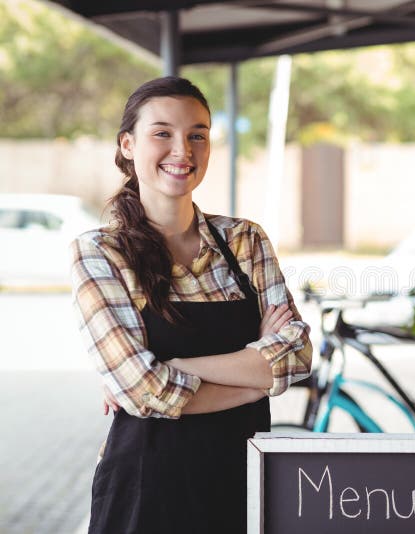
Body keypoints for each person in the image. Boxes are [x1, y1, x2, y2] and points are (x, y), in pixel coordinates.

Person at [71, 76, 312, 533]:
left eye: (197, 134)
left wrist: (176, 365)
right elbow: (142, 390)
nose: (182, 150)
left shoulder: (245, 240)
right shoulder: (100, 252)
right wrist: (254, 379)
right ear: (127, 144)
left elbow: (296, 357)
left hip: (241, 481)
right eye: (162, 133)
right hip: (145, 489)